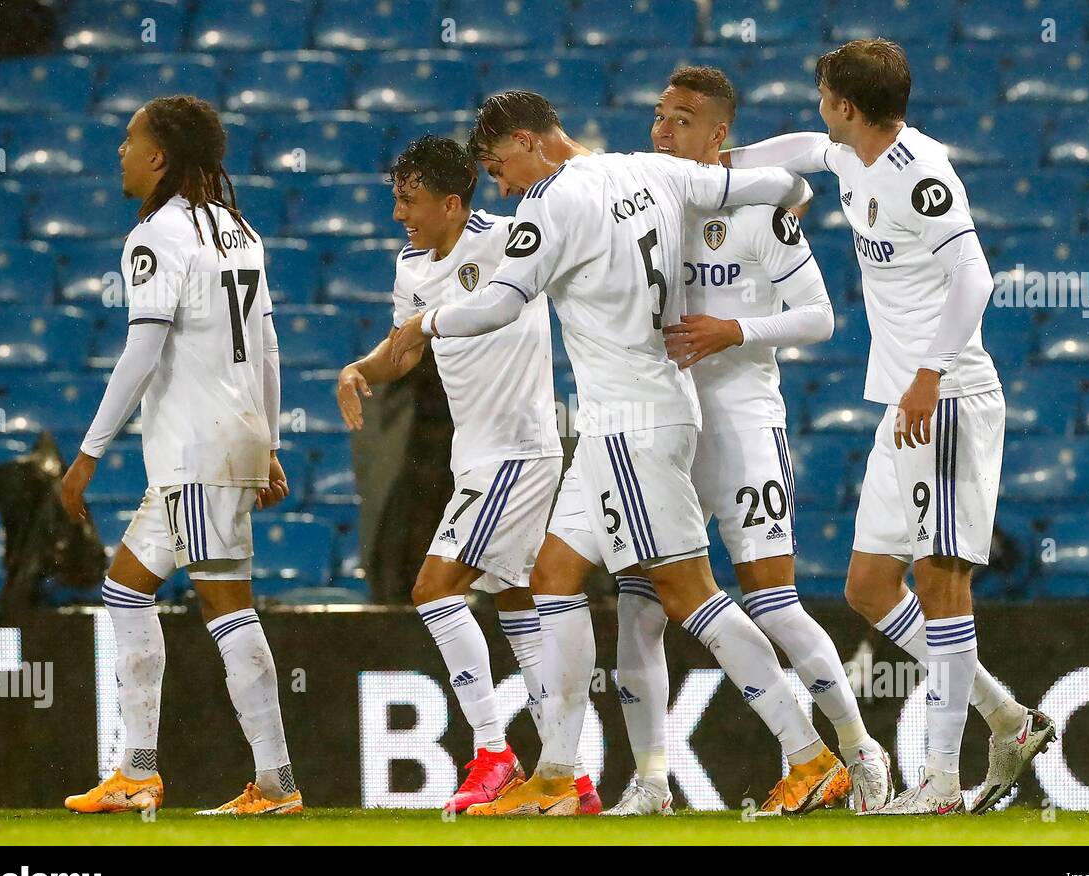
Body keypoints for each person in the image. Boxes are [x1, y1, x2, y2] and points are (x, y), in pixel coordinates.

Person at [392, 91, 851, 818]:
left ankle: (809, 755)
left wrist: (426, 321)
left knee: (689, 595)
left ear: (527, 140)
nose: (500, 182)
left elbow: (501, 304)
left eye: (497, 162)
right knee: (553, 574)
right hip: (633, 418)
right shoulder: (646, 169)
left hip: (632, 425)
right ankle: (556, 776)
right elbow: (763, 183)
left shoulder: (551, 203)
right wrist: (796, 190)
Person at [726, 39, 1056, 814]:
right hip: (905, 404)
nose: (817, 108)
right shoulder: (853, 155)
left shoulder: (922, 174)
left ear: (847, 105)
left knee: (942, 581)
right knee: (870, 588)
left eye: (822, 96)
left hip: (944, 399)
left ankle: (940, 781)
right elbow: (808, 151)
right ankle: (1007, 718)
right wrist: (724, 159)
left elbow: (976, 275)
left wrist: (930, 373)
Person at [603, 66, 893, 817]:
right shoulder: (643, 202)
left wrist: (735, 329)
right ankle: (652, 780)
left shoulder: (762, 207)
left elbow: (821, 318)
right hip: (663, 421)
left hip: (741, 420)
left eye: (683, 120)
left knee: (772, 600)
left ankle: (859, 750)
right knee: (639, 604)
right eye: (658, 116)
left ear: (720, 136)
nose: (664, 131)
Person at [336, 135, 600, 813]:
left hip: (518, 450)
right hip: (475, 456)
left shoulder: (513, 241)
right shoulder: (411, 264)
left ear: (453, 204)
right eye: (396, 198)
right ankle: (565, 774)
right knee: (513, 604)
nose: (400, 214)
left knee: (433, 589)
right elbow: (405, 350)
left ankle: (493, 753)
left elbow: (585, 220)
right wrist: (363, 367)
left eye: (411, 200)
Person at [60, 95, 301, 816]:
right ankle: (137, 770)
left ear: (160, 156)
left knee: (229, 611)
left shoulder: (155, 237)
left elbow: (142, 351)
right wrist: (269, 440)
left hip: (195, 445)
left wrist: (87, 455)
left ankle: (278, 784)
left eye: (130, 141)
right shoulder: (240, 230)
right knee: (126, 590)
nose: (121, 154)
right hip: (221, 440)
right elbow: (267, 345)